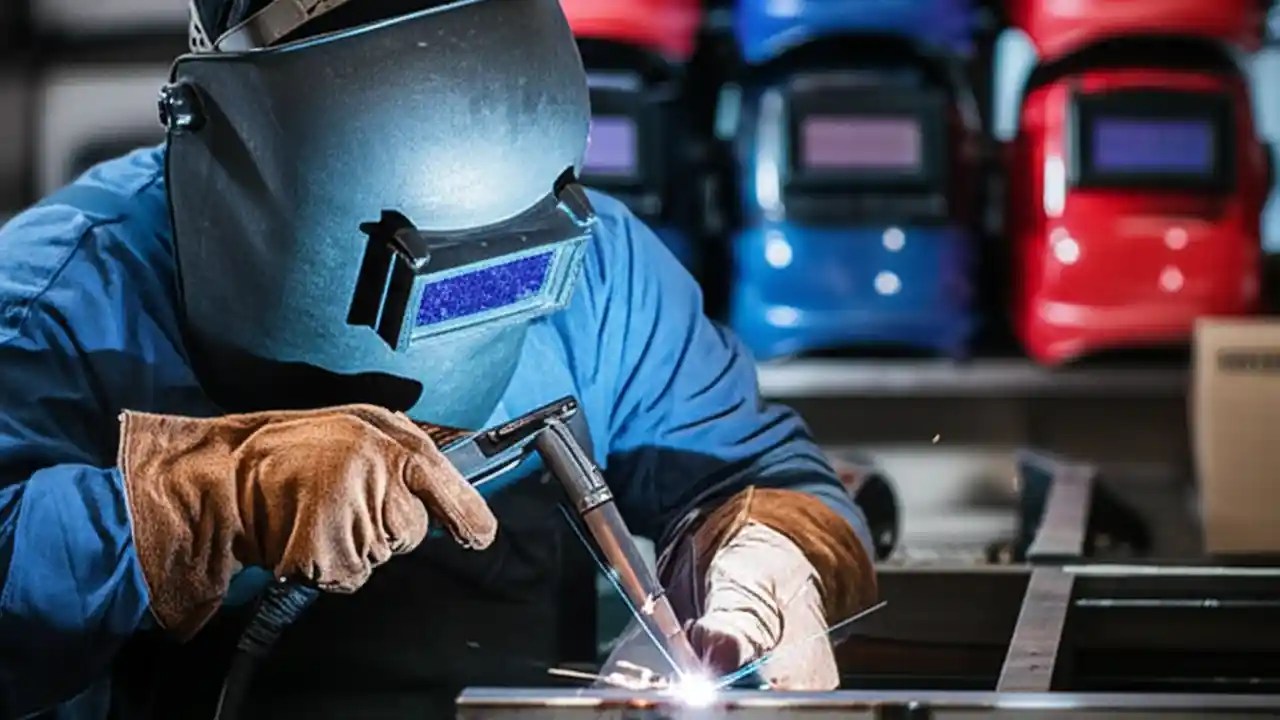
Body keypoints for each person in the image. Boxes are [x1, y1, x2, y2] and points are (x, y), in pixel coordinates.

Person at [0, 0, 877, 717]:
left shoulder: (601, 268)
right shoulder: (58, 302)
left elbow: (755, 473)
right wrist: (201, 507)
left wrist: (769, 559)